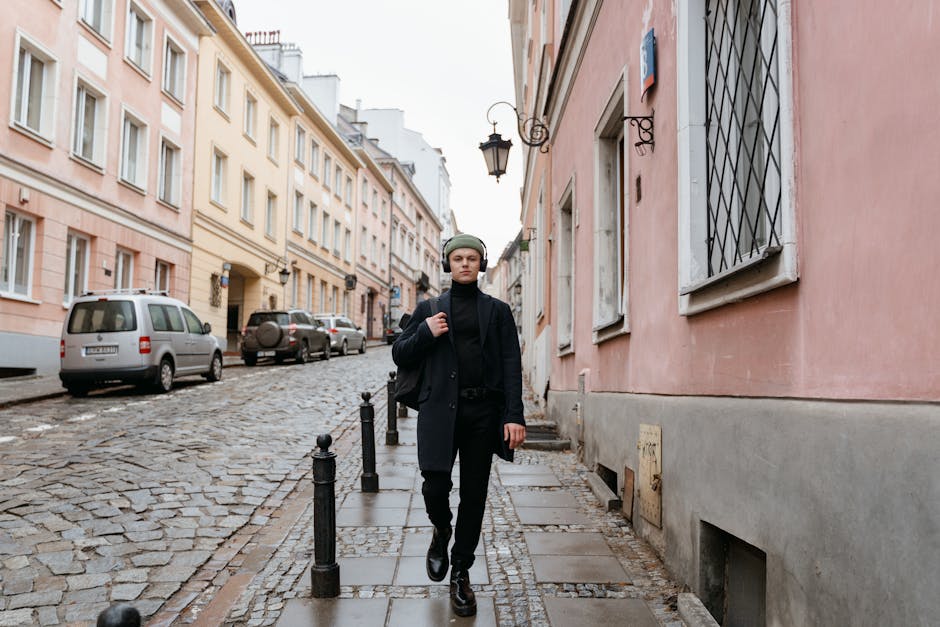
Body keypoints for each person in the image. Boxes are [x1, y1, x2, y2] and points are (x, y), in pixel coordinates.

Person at [392, 233, 526, 617]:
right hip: (438, 413)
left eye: (471, 258)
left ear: (480, 265)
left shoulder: (498, 311)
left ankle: (461, 571)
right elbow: (400, 352)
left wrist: (513, 415)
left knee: (475, 494)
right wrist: (425, 331)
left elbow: (511, 365)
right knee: (435, 485)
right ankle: (441, 529)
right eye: (458, 258)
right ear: (447, 265)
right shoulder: (430, 308)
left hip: (482, 414)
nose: (465, 264)